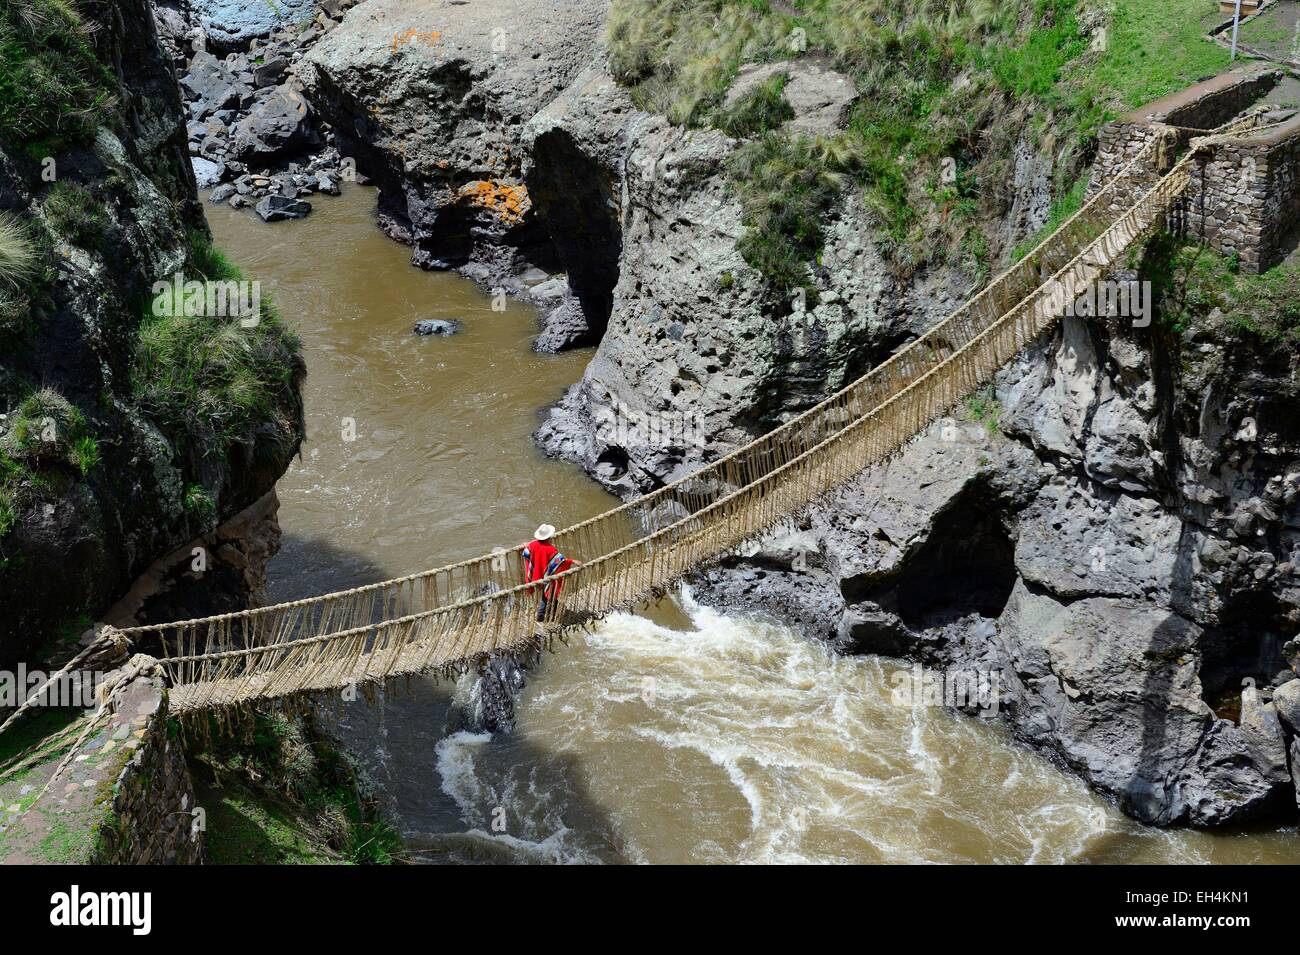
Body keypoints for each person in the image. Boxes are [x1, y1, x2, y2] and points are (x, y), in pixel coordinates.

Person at [521, 524, 577, 623]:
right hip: (545, 578)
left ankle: (554, 608)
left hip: (536, 576)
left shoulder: (532, 545)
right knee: (547, 594)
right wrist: (572, 561)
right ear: (549, 537)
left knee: (547, 595)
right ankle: (541, 615)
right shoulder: (551, 549)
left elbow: (527, 552)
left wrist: (526, 545)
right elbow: (560, 562)